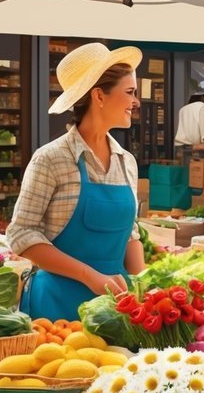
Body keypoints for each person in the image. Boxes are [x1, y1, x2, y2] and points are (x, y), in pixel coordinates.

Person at [9, 43, 145, 320]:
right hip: (56, 307)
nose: (136, 102)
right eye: (130, 92)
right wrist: (89, 276)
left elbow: (130, 233)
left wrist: (146, 284)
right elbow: (21, 233)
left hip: (116, 307)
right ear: (99, 96)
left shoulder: (126, 161)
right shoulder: (51, 159)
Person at [173, 92, 204, 161]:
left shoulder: (182, 109)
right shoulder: (202, 106)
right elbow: (203, 125)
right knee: (197, 169)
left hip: (179, 144)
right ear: (202, 97)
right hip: (193, 146)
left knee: (183, 169)